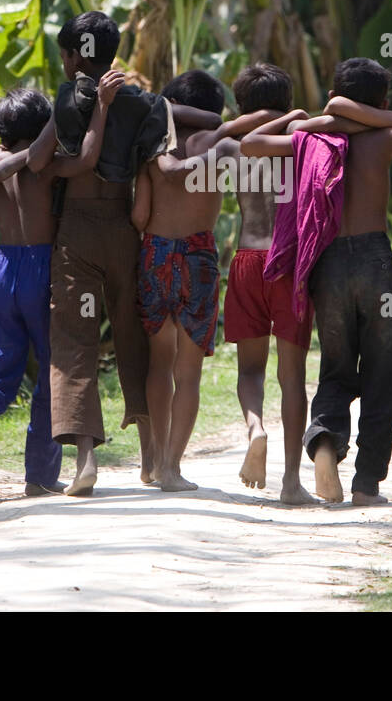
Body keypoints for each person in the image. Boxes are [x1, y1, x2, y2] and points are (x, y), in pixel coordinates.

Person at [243, 58, 392, 506]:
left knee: (336, 367)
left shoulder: (311, 138)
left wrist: (311, 119)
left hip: (328, 263)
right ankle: (365, 484)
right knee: (381, 372)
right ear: (379, 101)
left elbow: (252, 143)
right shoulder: (384, 137)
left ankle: (322, 445)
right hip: (375, 263)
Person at [46, 11, 220, 496]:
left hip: (76, 231)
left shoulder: (64, 100)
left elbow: (46, 159)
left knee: (74, 341)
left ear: (71, 55)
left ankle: (84, 457)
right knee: (137, 344)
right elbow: (202, 120)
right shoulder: (145, 104)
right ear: (114, 55)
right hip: (124, 233)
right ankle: (152, 459)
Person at [0, 71, 123, 500]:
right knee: (52, 370)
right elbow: (84, 159)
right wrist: (99, 107)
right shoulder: (48, 168)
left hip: (4, 267)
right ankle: (41, 475)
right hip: (46, 267)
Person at [187, 63, 317, 504]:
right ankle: (292, 482)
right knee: (292, 375)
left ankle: (254, 429)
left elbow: (195, 161)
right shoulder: (297, 140)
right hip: (288, 260)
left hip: (245, 257)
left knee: (250, 369)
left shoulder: (230, 146)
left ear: (240, 103)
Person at [130, 70, 235, 491]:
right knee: (187, 373)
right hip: (199, 255)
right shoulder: (219, 142)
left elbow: (138, 217)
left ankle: (153, 460)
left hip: (154, 251)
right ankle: (172, 466)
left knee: (158, 363)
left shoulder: (155, 144)